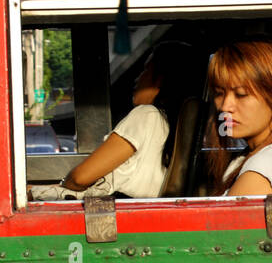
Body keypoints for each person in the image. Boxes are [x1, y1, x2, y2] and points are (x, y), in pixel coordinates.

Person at [30, 42, 195, 200]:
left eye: (145, 71)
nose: (137, 79)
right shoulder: (171, 123)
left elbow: (79, 179)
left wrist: (46, 189)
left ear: (159, 80)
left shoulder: (147, 115)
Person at [206, 39, 272, 198]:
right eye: (219, 93)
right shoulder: (254, 155)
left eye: (241, 95)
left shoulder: (265, 164)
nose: (225, 107)